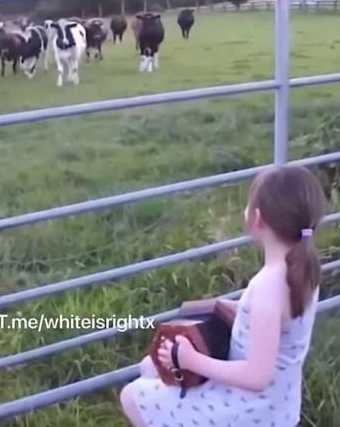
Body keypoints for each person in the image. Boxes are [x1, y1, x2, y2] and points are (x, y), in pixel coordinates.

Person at [120, 165, 328, 427]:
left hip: (251, 409)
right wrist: (236, 310)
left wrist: (191, 360)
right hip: (279, 405)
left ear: (258, 218)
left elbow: (256, 376)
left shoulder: (267, 285)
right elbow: (278, 323)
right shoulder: (304, 270)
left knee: (132, 396)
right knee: (149, 367)